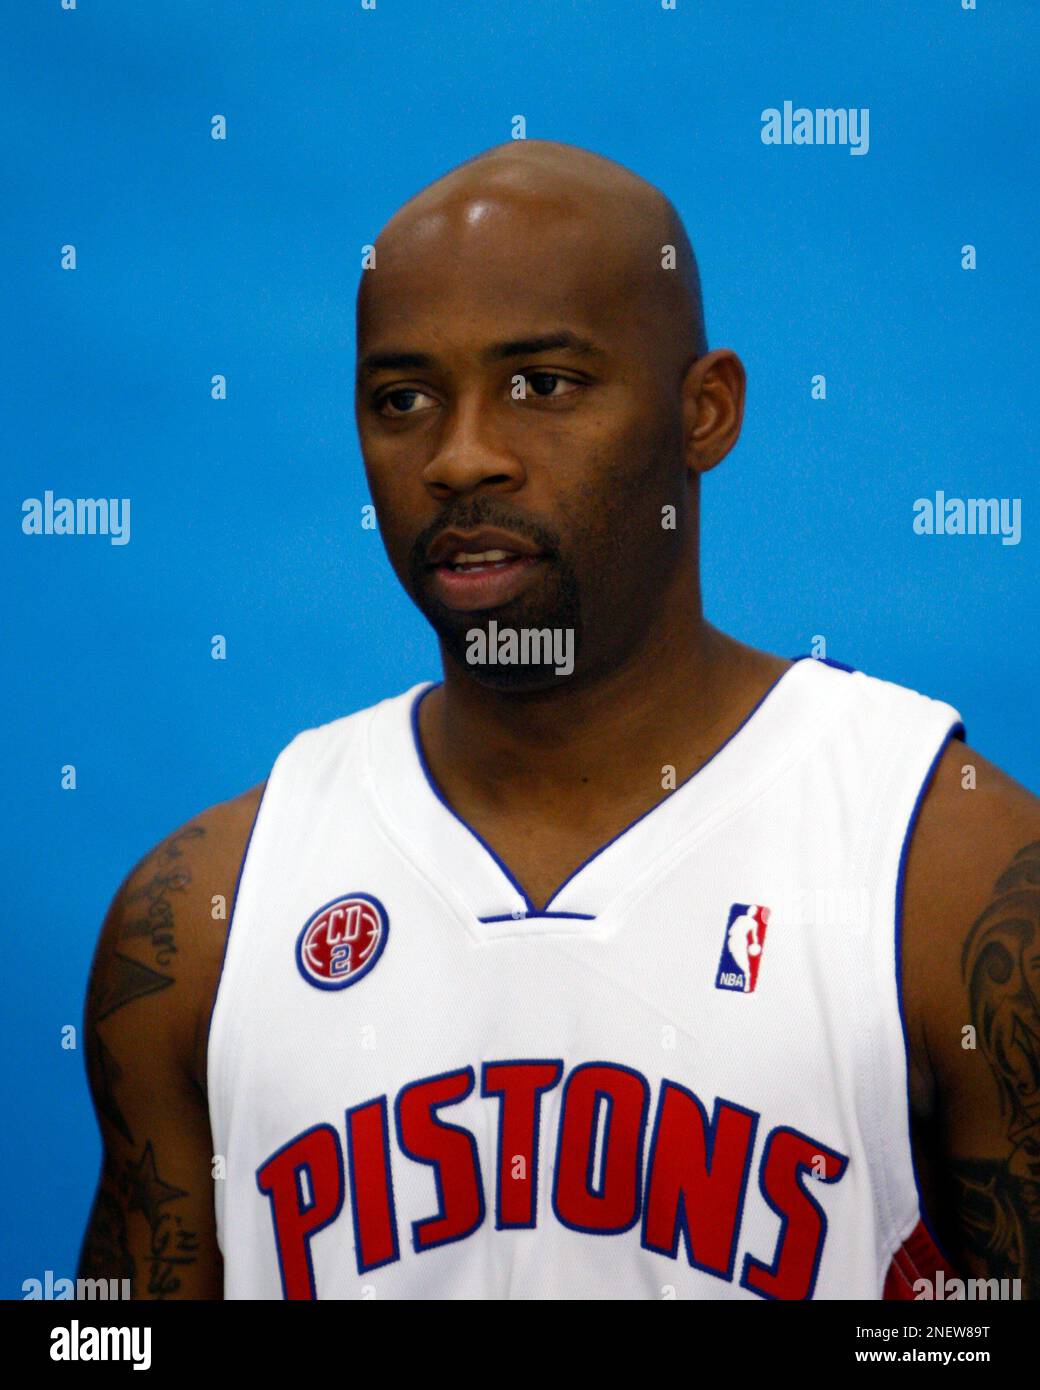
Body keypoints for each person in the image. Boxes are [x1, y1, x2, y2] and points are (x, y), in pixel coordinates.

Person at [78, 139, 1040, 1300]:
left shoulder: (943, 873)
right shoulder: (201, 922)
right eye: (403, 399)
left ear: (705, 412)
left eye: (540, 384)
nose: (459, 455)